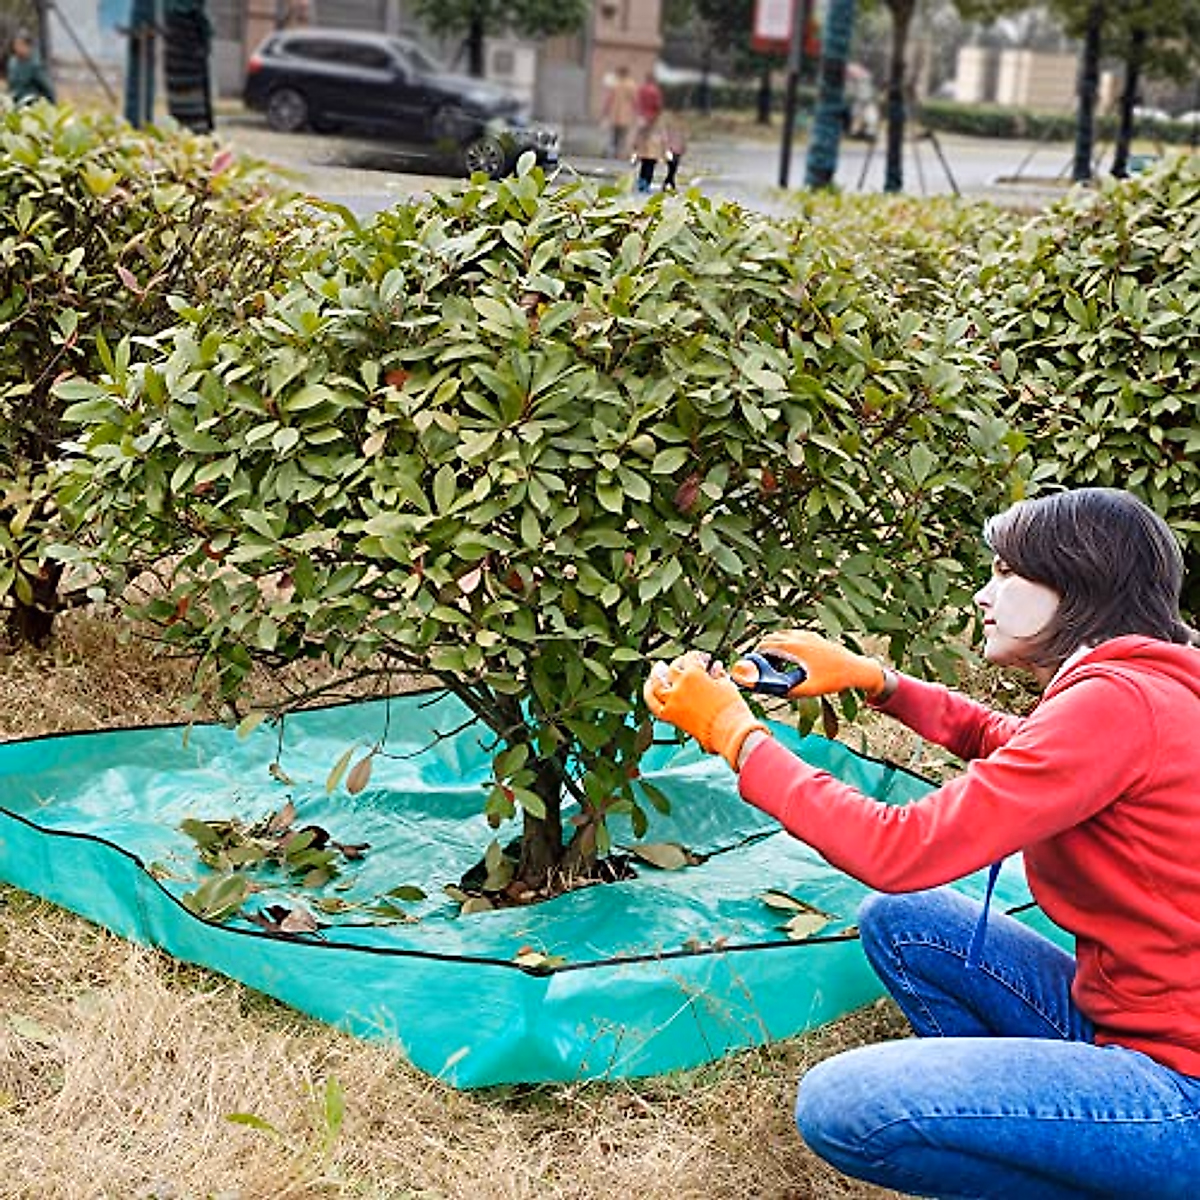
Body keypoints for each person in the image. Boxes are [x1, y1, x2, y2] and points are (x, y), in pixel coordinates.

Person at [644, 487, 1200, 1198]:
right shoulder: (1152, 683)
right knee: (907, 927)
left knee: (846, 1105)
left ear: (1075, 582)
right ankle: (1047, 1127)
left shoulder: (1117, 702)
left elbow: (898, 850)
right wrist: (877, 680)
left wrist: (737, 736)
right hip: (1132, 1026)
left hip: (1180, 1090)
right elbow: (1013, 744)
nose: (981, 594)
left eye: (1006, 572)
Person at [6, 28, 56, 106]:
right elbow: (11, 86)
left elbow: (48, 88)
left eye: (20, 45)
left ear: (28, 46)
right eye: (15, 44)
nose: (17, 47)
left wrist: (53, 105)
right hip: (16, 106)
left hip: (32, 107)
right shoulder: (12, 62)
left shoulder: (35, 65)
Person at [601, 65, 638, 159]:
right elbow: (634, 100)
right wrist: (636, 112)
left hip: (615, 114)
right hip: (625, 115)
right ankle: (620, 155)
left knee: (614, 135)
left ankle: (612, 154)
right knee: (622, 136)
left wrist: (605, 111)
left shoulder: (615, 84)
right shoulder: (631, 84)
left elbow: (609, 99)